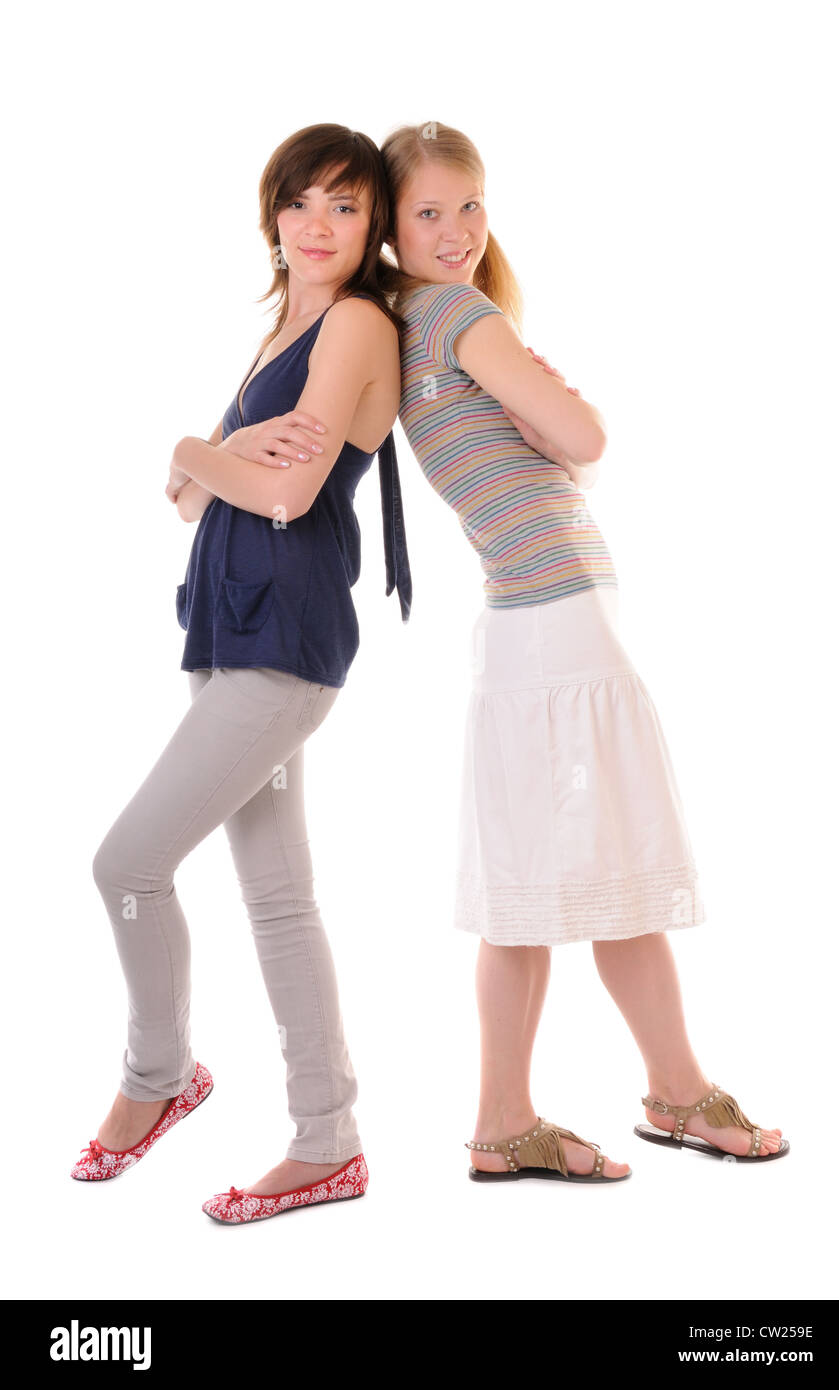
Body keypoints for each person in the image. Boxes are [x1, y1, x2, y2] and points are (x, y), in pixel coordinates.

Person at [380, 120, 787, 1183]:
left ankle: (506, 1119)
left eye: (470, 204)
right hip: (559, 622)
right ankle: (677, 1093)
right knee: (613, 872)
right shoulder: (461, 317)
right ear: (388, 223)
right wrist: (565, 415)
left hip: (521, 631)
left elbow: (562, 443)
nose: (457, 229)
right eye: (427, 211)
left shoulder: (408, 326)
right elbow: (588, 440)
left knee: (534, 885)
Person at [72, 124, 412, 1226]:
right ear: (273, 213)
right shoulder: (288, 325)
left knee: (127, 863)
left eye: (347, 208)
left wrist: (190, 447)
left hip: (282, 639)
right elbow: (188, 499)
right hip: (227, 630)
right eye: (301, 202)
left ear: (371, 228)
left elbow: (278, 494)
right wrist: (204, 466)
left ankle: (156, 1077)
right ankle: (328, 1141)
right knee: (277, 900)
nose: (319, 225)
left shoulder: (357, 321)